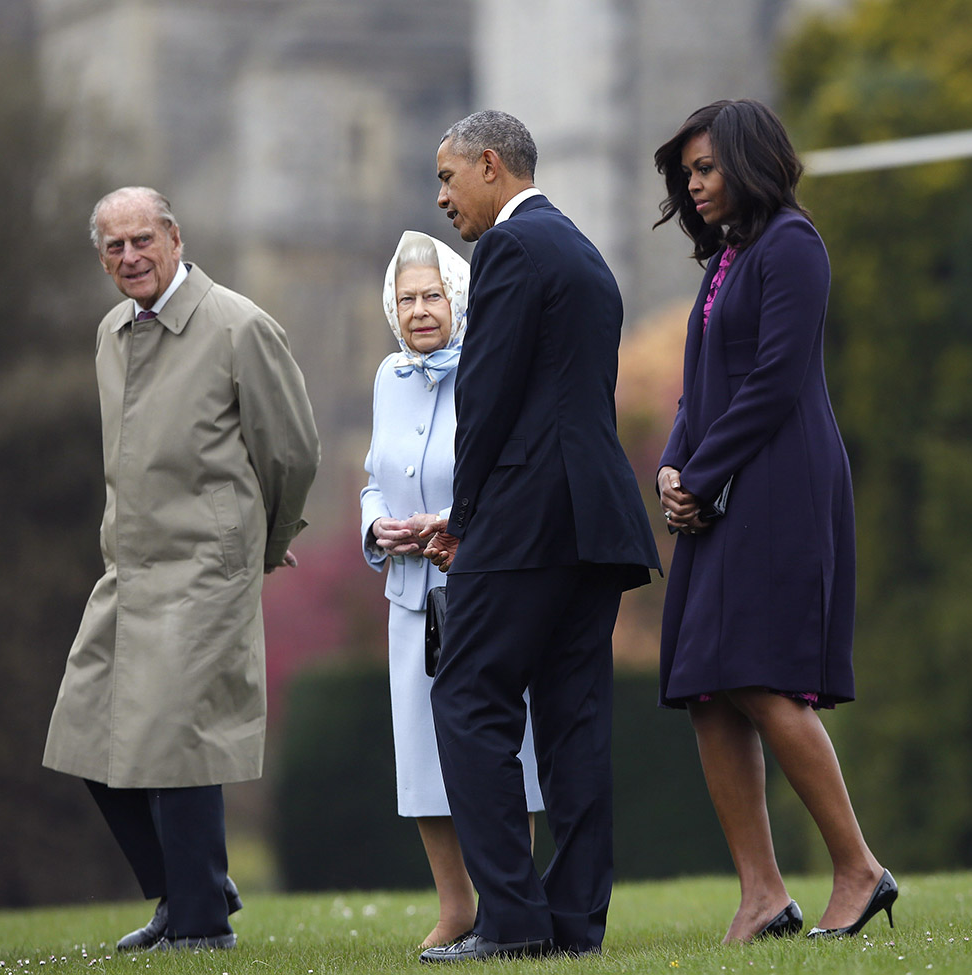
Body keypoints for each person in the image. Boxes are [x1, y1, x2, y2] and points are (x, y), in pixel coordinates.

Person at [42, 186, 320, 951]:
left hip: (206, 567)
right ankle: (193, 886)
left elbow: (293, 452)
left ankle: (200, 927)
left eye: (143, 239)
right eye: (115, 246)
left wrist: (264, 542)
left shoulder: (238, 325)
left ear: (174, 237)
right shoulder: (110, 333)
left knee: (181, 740)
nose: (131, 256)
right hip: (127, 569)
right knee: (84, 727)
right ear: (102, 258)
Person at [418, 111, 660, 963]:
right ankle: (575, 924)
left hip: (525, 521)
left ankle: (513, 920)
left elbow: (486, 399)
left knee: (467, 697)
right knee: (573, 720)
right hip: (595, 524)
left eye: (448, 177)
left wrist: (465, 518)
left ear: (491, 164)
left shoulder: (510, 249)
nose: (441, 197)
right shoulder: (584, 252)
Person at [652, 100, 894, 943]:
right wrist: (672, 467)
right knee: (706, 688)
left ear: (750, 162)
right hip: (720, 489)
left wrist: (701, 475)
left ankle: (859, 868)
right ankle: (762, 895)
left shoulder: (793, 244)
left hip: (778, 485)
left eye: (706, 168)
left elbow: (774, 380)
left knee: (758, 675)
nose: (694, 185)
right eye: (687, 173)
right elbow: (701, 387)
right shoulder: (728, 256)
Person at [360, 230, 545, 948]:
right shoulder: (387, 377)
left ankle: (512, 902)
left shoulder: (487, 366)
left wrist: (450, 522)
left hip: (478, 587)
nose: (419, 310)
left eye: (432, 295)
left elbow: (506, 474)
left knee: (501, 750)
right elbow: (375, 476)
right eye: (407, 298)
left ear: (459, 299)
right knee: (422, 760)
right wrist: (377, 527)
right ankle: (456, 907)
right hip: (410, 597)